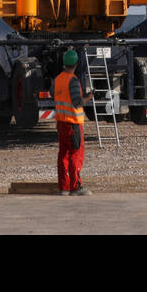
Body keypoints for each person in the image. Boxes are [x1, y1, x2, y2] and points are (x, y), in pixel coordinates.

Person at [53, 49, 89, 196]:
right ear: (76, 63)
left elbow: (52, 93)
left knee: (63, 154)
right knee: (75, 154)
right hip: (73, 123)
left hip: (61, 122)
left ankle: (64, 187)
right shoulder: (72, 80)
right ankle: (75, 187)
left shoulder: (57, 79)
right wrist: (89, 97)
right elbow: (77, 102)